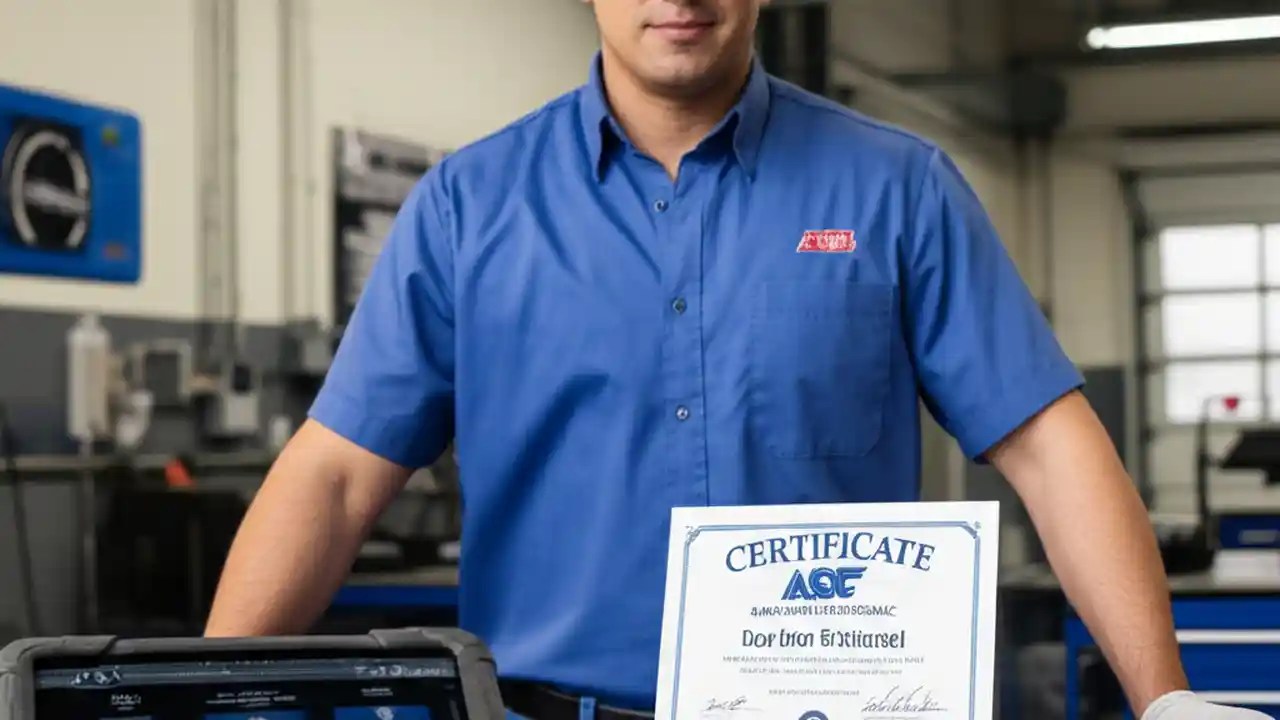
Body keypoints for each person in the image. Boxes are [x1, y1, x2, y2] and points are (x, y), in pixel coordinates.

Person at [204, 1, 1266, 718]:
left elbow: (1048, 447)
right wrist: (204, 693)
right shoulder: (466, 209)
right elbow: (336, 477)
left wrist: (1161, 694)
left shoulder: (898, 192)